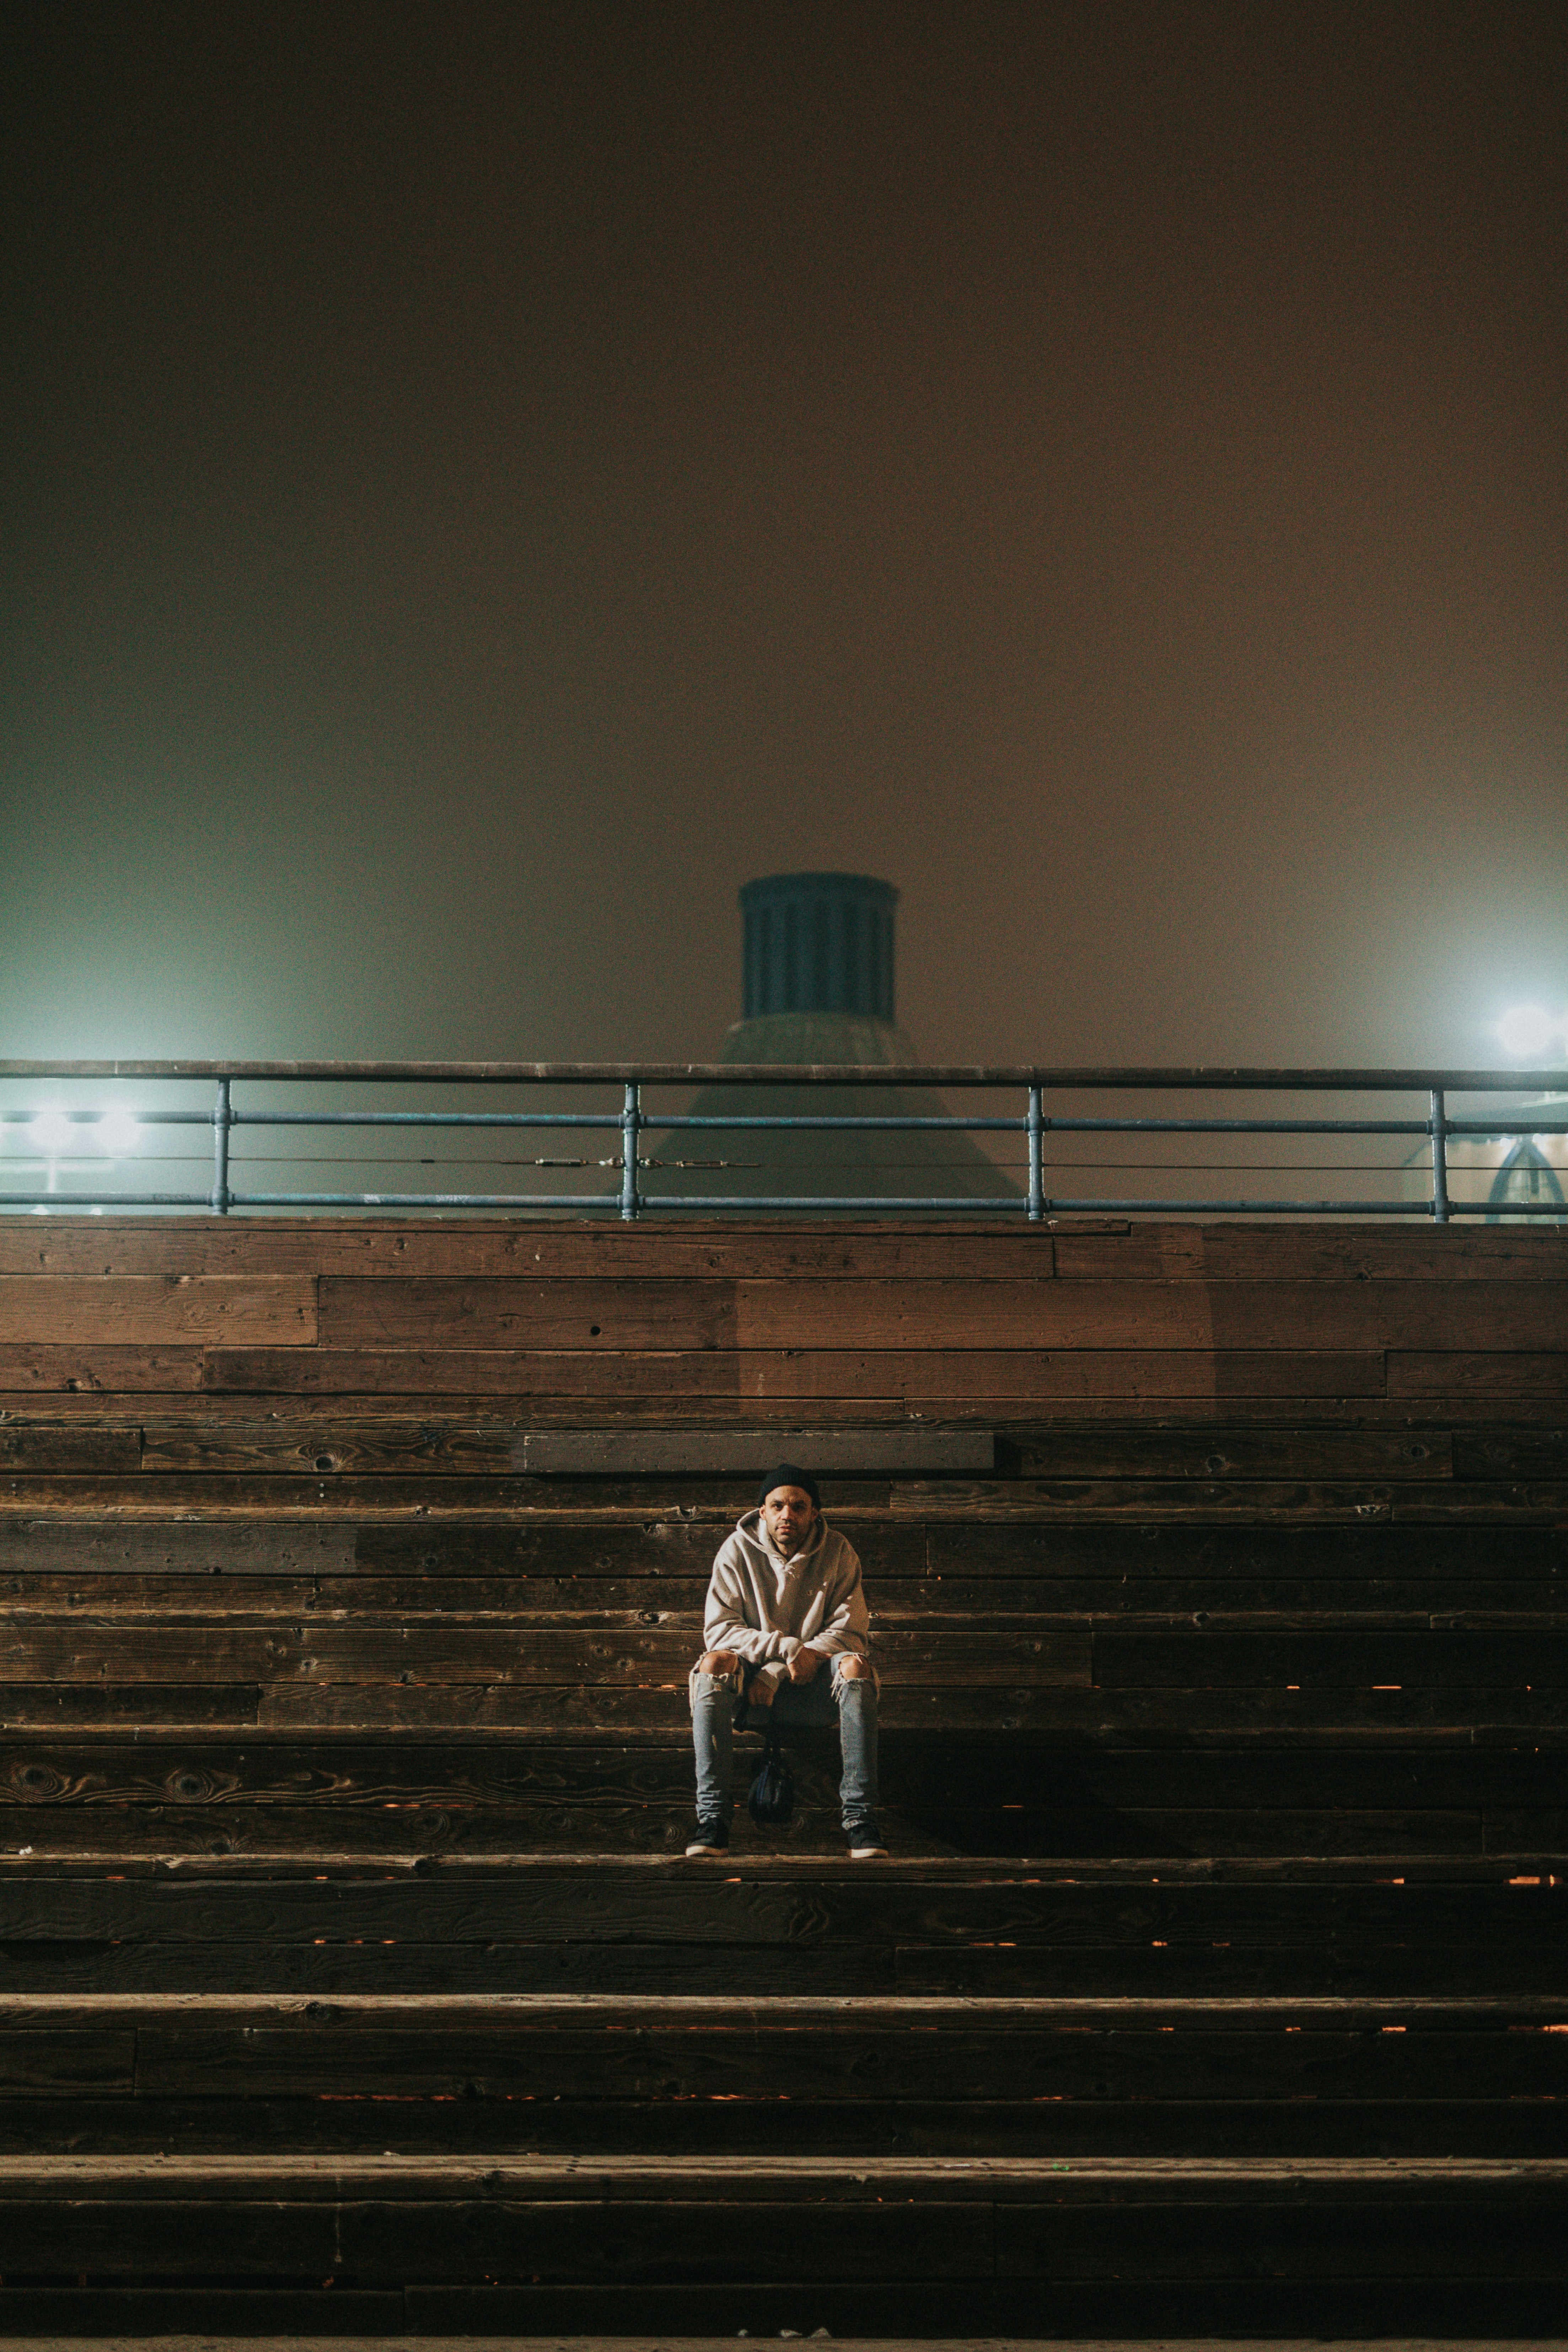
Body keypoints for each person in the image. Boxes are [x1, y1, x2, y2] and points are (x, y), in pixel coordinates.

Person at [685, 1462, 885, 1859]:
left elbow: (850, 1634)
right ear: (762, 1511)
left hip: (811, 1692)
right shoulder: (736, 1550)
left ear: (814, 1513)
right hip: (749, 1699)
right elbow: (720, 1631)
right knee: (712, 1665)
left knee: (856, 1668)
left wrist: (779, 1669)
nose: (786, 1515)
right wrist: (785, 1649)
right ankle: (712, 1821)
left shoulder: (839, 1552)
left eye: (798, 1506)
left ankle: (860, 1822)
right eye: (777, 1506)